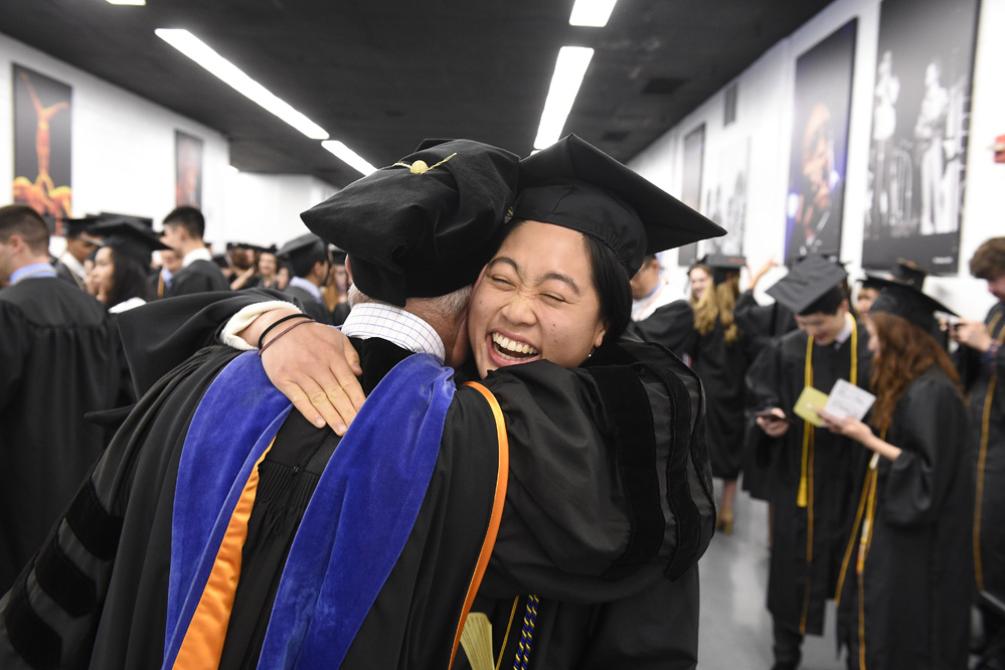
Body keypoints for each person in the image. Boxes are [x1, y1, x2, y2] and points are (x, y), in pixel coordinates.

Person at [0, 137, 722, 669]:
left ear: (347, 266)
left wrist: (256, 316)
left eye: (556, 294)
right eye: (503, 279)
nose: (517, 309)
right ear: (474, 284)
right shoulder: (481, 448)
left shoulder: (191, 386)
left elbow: (55, 603)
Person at [822, 278, 972, 669]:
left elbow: (927, 476)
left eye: (875, 337)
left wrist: (867, 438)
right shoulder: (912, 385)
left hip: (921, 548)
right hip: (892, 531)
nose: (871, 347)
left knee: (902, 628)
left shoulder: (932, 392)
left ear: (900, 339)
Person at [747, 255, 871, 670]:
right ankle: (785, 659)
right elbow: (762, 390)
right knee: (789, 578)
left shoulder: (871, 350)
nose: (812, 334)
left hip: (854, 486)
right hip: (798, 480)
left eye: (820, 324)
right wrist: (770, 417)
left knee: (858, 581)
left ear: (843, 307)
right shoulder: (789, 347)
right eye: (804, 324)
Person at [0, 204, 118, 593]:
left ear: (15, 243)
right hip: (85, 483)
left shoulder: (9, 310)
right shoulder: (95, 311)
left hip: (19, 488)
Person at [954, 237, 1005, 670]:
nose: (991, 288)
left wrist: (988, 347)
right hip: (981, 445)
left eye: (996, 278)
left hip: (1003, 453)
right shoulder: (996, 312)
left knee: (995, 546)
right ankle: (989, 634)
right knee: (976, 543)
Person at [683, 255, 755, 533]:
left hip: (707, 390)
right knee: (731, 449)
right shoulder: (744, 315)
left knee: (703, 449)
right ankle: (727, 510)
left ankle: (705, 508)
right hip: (735, 391)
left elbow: (690, 349)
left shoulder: (702, 314)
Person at [88, 219, 172, 405]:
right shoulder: (145, 314)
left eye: (102, 264)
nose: (94, 273)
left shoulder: (125, 322)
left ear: (125, 270)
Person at [626, 253, 694, 356]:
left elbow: (639, 342)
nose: (629, 282)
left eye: (634, 274)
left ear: (654, 266)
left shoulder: (677, 306)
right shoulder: (629, 299)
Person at [161, 205, 228, 296]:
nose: (166, 241)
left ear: (181, 233)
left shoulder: (189, 277)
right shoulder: (218, 273)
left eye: (167, 234)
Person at [278, 232, 333, 324]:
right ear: (318, 268)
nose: (331, 271)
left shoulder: (287, 295)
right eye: (329, 265)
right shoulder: (309, 305)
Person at [54, 216, 101, 290]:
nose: (93, 250)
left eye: (97, 247)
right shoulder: (58, 274)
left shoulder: (91, 271)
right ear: (70, 242)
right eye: (87, 245)